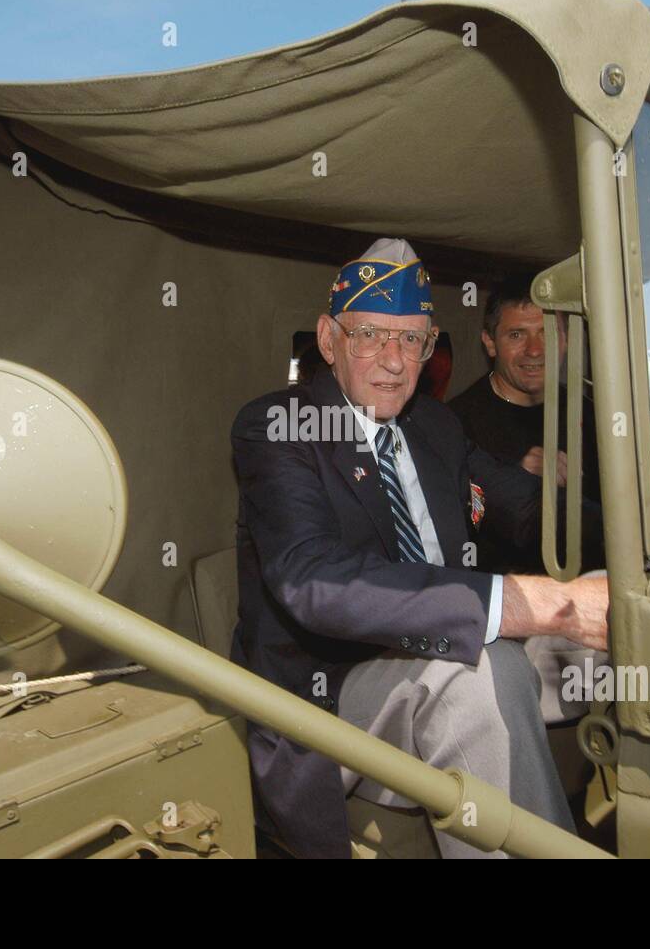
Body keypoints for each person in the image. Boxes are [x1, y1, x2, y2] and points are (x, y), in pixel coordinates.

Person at [231, 238, 609, 859]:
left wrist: (636, 548)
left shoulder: (432, 425)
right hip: (330, 695)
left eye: (411, 339)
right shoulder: (281, 424)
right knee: (480, 670)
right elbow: (313, 581)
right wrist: (526, 601)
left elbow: (529, 506)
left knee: (629, 636)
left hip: (448, 643)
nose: (393, 359)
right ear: (329, 341)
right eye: (371, 335)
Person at [448, 273, 602, 575]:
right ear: (490, 343)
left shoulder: (592, 416)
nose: (534, 350)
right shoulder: (454, 425)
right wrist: (515, 483)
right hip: (505, 603)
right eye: (517, 335)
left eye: (546, 332)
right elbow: (449, 534)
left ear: (566, 340)